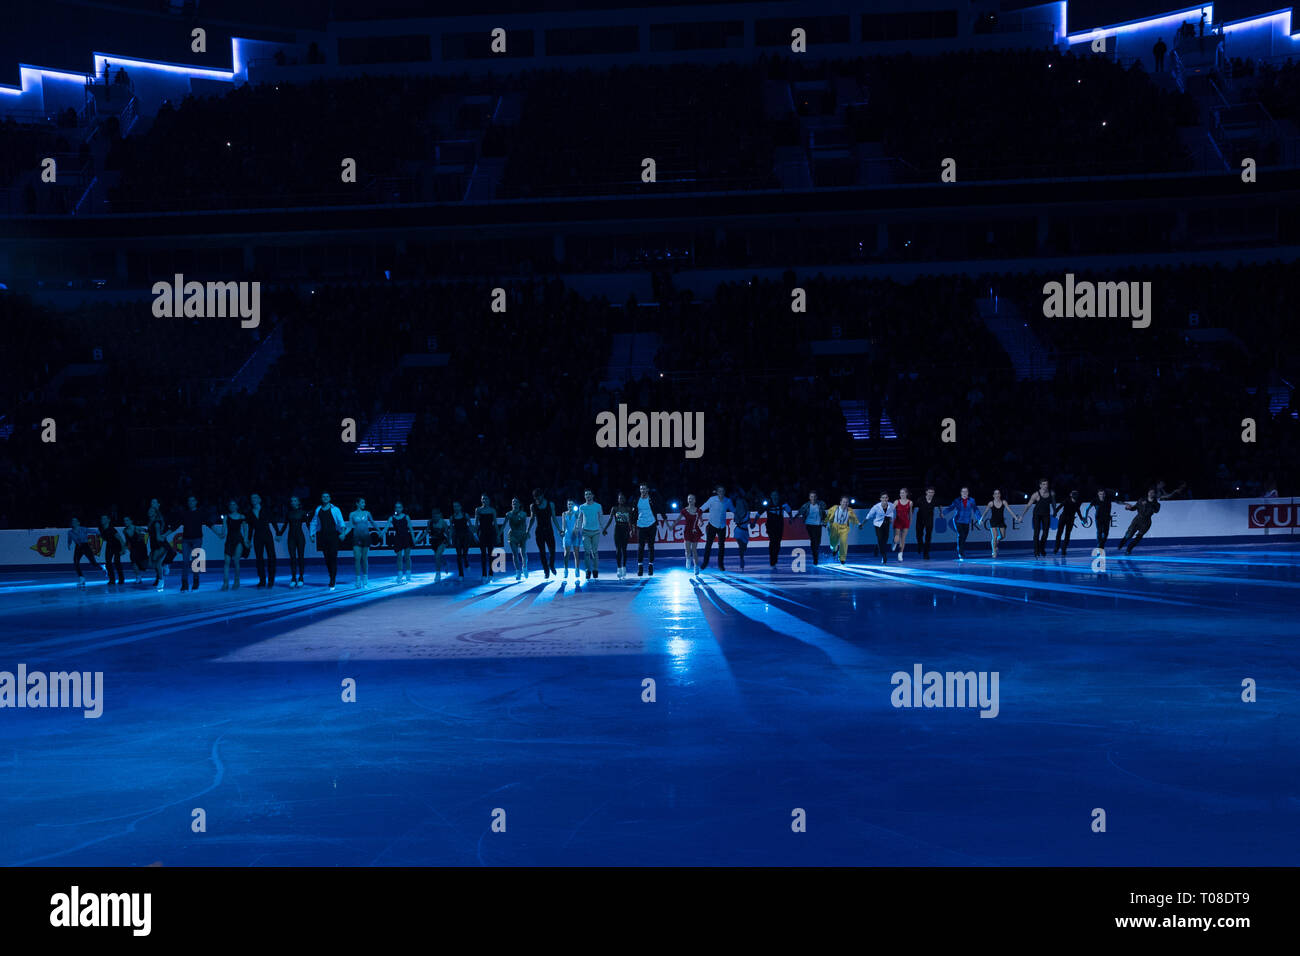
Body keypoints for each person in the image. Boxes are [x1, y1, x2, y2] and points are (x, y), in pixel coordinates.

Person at [310, 492, 346, 590]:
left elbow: (341, 521)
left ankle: (333, 579)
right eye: (323, 497)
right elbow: (314, 522)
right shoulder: (318, 509)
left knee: (333, 558)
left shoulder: (335, 509)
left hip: (333, 536)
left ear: (329, 498)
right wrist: (312, 534)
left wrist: (342, 533)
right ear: (321, 498)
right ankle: (331, 575)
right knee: (327, 558)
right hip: (323, 536)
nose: (325, 498)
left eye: (327, 496)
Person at [215, 500, 249, 590]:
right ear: (229, 507)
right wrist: (220, 534)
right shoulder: (226, 517)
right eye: (231, 504)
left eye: (234, 504)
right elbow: (223, 531)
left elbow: (246, 530)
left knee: (236, 561)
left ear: (237, 506)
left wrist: (245, 540)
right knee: (226, 562)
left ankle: (236, 581)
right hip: (229, 540)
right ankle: (225, 583)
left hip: (238, 540)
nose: (232, 506)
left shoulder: (242, 517)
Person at [634, 483, 666, 577]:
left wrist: (664, 517)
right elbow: (634, 513)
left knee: (651, 546)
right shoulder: (637, 500)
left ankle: (650, 566)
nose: (642, 491)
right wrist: (632, 524)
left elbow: (660, 507)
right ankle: (640, 567)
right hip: (640, 525)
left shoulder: (652, 499)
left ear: (648, 490)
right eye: (641, 489)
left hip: (651, 525)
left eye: (644, 489)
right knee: (641, 547)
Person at [1018, 479, 1056, 559]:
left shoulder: (1051, 493)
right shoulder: (1036, 494)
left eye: (1046, 484)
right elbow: (1028, 505)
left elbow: (1053, 502)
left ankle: (1041, 549)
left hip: (1046, 515)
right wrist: (1022, 516)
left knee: (1045, 534)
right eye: (1044, 484)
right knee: (1036, 533)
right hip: (1037, 515)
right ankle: (1036, 551)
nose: (1046, 486)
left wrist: (1055, 510)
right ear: (1040, 485)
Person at [700, 485, 733, 572]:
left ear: (724, 492)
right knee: (708, 545)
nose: (721, 493)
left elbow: (734, 510)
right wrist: (700, 519)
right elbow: (701, 509)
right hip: (712, 526)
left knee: (721, 546)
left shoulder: (728, 501)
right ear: (717, 492)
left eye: (723, 491)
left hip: (722, 527)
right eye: (719, 491)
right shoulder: (712, 500)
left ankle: (720, 565)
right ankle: (705, 563)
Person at [1118, 489, 1161, 554]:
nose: (1151, 493)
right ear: (1148, 493)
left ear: (1154, 494)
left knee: (1138, 537)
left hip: (1146, 522)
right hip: (1137, 520)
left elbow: (1156, 511)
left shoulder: (1157, 504)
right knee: (1129, 534)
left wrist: (1149, 504)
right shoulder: (1142, 500)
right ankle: (1122, 542)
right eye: (1150, 492)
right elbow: (1135, 508)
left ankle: (1129, 549)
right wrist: (1129, 508)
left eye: (1153, 493)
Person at [178, 495, 207, 592]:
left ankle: (195, 581)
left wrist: (218, 533)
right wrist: (165, 534)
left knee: (195, 562)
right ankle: (184, 583)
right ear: (187, 503)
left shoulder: (200, 513)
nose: (191, 502)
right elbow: (175, 525)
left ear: (196, 502)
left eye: (193, 500)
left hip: (197, 539)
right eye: (189, 501)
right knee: (185, 562)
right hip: (186, 540)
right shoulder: (184, 513)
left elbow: (209, 523)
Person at [248, 493, 277, 588]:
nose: (253, 499)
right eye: (252, 498)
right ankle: (262, 580)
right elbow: (250, 527)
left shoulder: (266, 509)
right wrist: (248, 539)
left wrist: (278, 532)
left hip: (267, 535)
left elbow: (273, 520)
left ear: (260, 499)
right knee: (259, 559)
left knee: (271, 557)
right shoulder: (250, 512)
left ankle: (271, 580)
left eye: (255, 497)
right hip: (257, 536)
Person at [280, 495, 309, 588]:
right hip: (291, 537)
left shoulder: (303, 512)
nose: (293, 502)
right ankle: (293, 578)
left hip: (300, 537)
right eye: (292, 500)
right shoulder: (289, 513)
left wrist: (312, 534)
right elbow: (285, 525)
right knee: (292, 558)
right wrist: (279, 533)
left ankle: (301, 577)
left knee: (300, 557)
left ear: (298, 502)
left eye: (295, 500)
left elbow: (308, 524)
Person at [348, 498, 378, 587]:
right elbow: (350, 526)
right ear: (357, 503)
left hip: (366, 537)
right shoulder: (352, 514)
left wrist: (380, 531)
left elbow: (373, 523)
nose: (364, 504)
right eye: (362, 502)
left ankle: (365, 577)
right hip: (356, 538)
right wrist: (343, 534)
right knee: (357, 558)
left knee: (364, 558)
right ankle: (358, 579)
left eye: (364, 502)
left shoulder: (367, 513)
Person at [67, 517, 105, 586]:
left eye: (75, 521)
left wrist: (99, 534)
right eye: (72, 521)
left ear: (78, 523)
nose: (73, 522)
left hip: (86, 546)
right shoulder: (70, 532)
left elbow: (94, 531)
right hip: (78, 547)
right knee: (76, 562)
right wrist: (69, 544)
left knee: (93, 563)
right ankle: (81, 578)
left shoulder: (83, 529)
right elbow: (69, 539)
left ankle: (103, 567)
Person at [528, 489, 557, 579]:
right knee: (542, 552)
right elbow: (532, 519)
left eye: (538, 496)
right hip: (539, 532)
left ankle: (551, 565)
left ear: (542, 495)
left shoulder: (550, 504)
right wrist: (527, 530)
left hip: (549, 530)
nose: (537, 499)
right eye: (535, 497)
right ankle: (546, 571)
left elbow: (554, 518)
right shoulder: (533, 506)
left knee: (552, 551)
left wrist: (560, 529)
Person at [603, 492, 633, 579]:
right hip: (618, 530)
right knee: (618, 550)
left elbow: (630, 521)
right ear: (618, 500)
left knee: (624, 550)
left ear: (625, 499)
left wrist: (631, 530)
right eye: (620, 498)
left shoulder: (628, 509)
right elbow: (610, 519)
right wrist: (605, 528)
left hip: (626, 530)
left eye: (623, 498)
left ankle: (624, 567)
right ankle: (619, 568)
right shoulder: (614, 508)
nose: (621, 500)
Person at [383, 501, 415, 583]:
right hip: (398, 539)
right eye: (396, 507)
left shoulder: (406, 517)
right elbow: (386, 528)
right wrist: (381, 532)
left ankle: (408, 574)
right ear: (395, 508)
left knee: (407, 556)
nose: (398, 509)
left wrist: (413, 539)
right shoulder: (391, 518)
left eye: (400, 507)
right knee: (399, 557)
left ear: (402, 508)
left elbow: (411, 529)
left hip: (406, 538)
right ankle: (400, 575)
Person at [146, 504, 174, 592]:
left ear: (155, 513)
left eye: (152, 511)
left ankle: (161, 580)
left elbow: (158, 536)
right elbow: (151, 532)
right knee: (151, 564)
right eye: (149, 510)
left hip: (160, 545)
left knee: (157, 563)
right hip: (154, 545)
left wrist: (162, 537)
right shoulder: (150, 522)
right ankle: (164, 565)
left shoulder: (156, 523)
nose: (150, 512)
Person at [944, 488, 977, 560]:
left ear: (968, 493)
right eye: (963, 492)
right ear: (961, 493)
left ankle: (961, 549)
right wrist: (943, 513)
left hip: (966, 521)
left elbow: (975, 510)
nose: (964, 493)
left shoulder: (972, 500)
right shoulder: (957, 500)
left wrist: (979, 518)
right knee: (961, 535)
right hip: (957, 521)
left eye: (966, 491)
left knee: (964, 536)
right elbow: (951, 507)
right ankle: (960, 552)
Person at [577, 489, 603, 580]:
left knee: (594, 551)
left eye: (589, 494)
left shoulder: (598, 506)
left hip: (595, 532)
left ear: (592, 496)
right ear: (584, 496)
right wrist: (577, 528)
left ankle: (595, 570)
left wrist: (603, 528)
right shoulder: (582, 507)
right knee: (587, 552)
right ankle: (588, 570)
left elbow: (601, 518)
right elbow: (579, 519)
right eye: (586, 494)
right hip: (585, 532)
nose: (588, 496)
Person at [860, 494, 892, 565]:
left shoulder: (890, 506)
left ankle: (877, 547)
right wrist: (862, 524)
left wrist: (891, 521)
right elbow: (869, 516)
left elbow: (891, 515)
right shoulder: (876, 507)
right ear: (880, 499)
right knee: (880, 539)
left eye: (886, 498)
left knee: (885, 540)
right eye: (883, 498)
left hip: (886, 525)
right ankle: (884, 556)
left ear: (888, 498)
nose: (884, 499)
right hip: (878, 525)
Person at [826, 496, 860, 564]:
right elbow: (828, 515)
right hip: (835, 527)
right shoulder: (834, 508)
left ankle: (842, 558)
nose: (845, 503)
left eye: (847, 502)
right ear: (840, 502)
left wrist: (859, 524)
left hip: (844, 528)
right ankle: (834, 549)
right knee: (833, 542)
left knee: (843, 542)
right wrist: (825, 522)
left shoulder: (850, 510)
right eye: (844, 502)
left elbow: (854, 518)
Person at [796, 491, 826, 565]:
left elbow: (824, 513)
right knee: (813, 540)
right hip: (809, 524)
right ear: (809, 498)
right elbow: (800, 512)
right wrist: (793, 518)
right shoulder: (806, 505)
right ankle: (815, 558)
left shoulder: (821, 504)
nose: (813, 498)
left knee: (818, 541)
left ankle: (815, 552)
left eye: (814, 496)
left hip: (818, 524)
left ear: (817, 497)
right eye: (811, 497)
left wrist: (824, 522)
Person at [505, 497, 530, 581]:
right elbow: (504, 525)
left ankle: (525, 567)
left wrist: (526, 533)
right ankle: (518, 572)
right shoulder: (508, 514)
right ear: (512, 504)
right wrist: (498, 534)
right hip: (512, 535)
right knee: (515, 554)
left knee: (523, 552)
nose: (514, 503)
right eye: (513, 502)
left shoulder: (523, 514)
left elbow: (525, 525)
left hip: (522, 534)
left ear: (519, 504)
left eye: (516, 502)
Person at [475, 494, 499, 581]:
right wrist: (475, 534)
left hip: (491, 533)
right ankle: (484, 574)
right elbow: (476, 523)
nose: (484, 500)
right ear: (481, 500)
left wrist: (498, 535)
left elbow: (495, 524)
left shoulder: (492, 510)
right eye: (483, 499)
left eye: (486, 499)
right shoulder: (478, 510)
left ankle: (491, 573)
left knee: (490, 554)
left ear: (489, 500)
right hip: (482, 534)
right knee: (483, 554)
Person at [762, 492, 788, 568]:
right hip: (770, 526)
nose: (775, 497)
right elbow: (759, 513)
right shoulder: (768, 504)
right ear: (771, 496)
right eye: (773, 495)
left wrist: (791, 518)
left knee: (778, 543)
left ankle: (775, 558)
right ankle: (772, 560)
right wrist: (754, 522)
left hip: (779, 526)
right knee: (773, 541)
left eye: (776, 495)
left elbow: (789, 510)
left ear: (778, 496)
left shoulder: (782, 504)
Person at [980, 489, 1008, 558]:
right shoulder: (991, 503)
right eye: (995, 494)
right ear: (993, 495)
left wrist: (1016, 518)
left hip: (1001, 521)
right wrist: (981, 519)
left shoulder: (1003, 502)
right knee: (994, 537)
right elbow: (986, 512)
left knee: (1002, 536)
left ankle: (995, 542)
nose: (997, 495)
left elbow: (1009, 510)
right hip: (993, 521)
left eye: (998, 493)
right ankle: (994, 551)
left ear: (1000, 495)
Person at [680, 494, 704, 574]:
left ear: (695, 500)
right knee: (687, 550)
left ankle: (696, 567)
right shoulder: (684, 510)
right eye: (689, 498)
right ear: (687, 500)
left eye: (692, 498)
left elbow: (701, 521)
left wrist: (700, 523)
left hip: (695, 531)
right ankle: (688, 559)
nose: (690, 500)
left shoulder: (698, 511)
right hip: (687, 531)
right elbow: (678, 519)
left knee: (694, 550)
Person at [98, 515, 124, 586]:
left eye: (104, 518)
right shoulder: (101, 528)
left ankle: (121, 579)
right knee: (108, 562)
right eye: (102, 518)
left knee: (117, 562)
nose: (102, 520)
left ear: (108, 520)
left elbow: (120, 539)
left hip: (116, 545)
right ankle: (112, 580)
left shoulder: (112, 529)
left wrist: (123, 549)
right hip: (109, 545)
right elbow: (104, 538)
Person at [1054, 490, 1082, 555]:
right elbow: (1059, 506)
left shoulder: (1078, 502)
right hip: (1063, 518)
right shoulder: (1066, 500)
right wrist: (1055, 513)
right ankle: (1057, 547)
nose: (1075, 495)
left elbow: (1078, 510)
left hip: (1071, 519)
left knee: (1067, 534)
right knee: (1059, 533)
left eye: (1076, 494)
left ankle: (1064, 549)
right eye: (1074, 494)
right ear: (1071, 495)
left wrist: (1081, 518)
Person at [449, 501, 473, 579]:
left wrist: (473, 536)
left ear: (460, 507)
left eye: (457, 506)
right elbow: (452, 529)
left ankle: (466, 563)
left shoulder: (465, 515)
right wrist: (450, 539)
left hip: (466, 536)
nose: (455, 508)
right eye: (454, 506)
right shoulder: (452, 517)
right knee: (459, 555)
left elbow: (470, 526)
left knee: (465, 554)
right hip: (457, 537)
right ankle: (461, 574)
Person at [913, 487, 938, 560]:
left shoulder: (935, 500)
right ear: (926, 492)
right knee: (919, 534)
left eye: (932, 492)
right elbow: (913, 506)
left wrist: (941, 513)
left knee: (928, 536)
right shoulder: (921, 499)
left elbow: (939, 505)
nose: (931, 494)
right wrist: (910, 514)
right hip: (920, 519)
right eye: (929, 492)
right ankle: (920, 544)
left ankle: (926, 553)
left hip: (929, 520)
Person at [731, 491, 753, 571]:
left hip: (745, 532)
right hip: (739, 531)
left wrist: (751, 524)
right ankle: (741, 559)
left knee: (744, 547)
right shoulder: (736, 514)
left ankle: (742, 556)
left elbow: (749, 522)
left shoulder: (747, 513)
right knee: (741, 546)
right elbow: (736, 520)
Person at [123, 516, 148, 584]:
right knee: (133, 562)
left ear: (131, 521)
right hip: (133, 548)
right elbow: (127, 541)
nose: (125, 522)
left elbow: (147, 531)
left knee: (144, 563)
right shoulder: (124, 531)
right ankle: (138, 577)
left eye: (127, 520)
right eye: (124, 521)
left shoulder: (137, 528)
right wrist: (124, 548)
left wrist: (142, 534)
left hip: (141, 547)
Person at [427, 508, 450, 580]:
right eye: (433, 515)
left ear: (439, 515)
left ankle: (438, 574)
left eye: (436, 515)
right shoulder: (429, 522)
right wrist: (419, 539)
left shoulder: (443, 522)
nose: (435, 516)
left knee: (437, 556)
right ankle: (445, 563)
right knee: (438, 557)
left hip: (442, 541)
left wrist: (449, 541)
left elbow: (447, 533)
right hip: (434, 542)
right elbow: (426, 531)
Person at [560, 498, 581, 578]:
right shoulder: (564, 514)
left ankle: (577, 569)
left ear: (573, 505)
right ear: (567, 505)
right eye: (569, 504)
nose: (570, 505)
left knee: (576, 553)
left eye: (572, 504)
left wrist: (575, 529)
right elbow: (563, 525)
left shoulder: (576, 513)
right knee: (566, 554)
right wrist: (562, 532)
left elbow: (577, 524)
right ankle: (565, 570)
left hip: (575, 535)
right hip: (567, 535)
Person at [891, 488, 913, 561]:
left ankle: (900, 554)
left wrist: (910, 521)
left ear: (906, 494)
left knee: (903, 539)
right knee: (897, 537)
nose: (901, 494)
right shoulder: (896, 502)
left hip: (905, 522)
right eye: (900, 493)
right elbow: (890, 510)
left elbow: (910, 513)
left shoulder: (910, 502)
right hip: (897, 521)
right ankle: (894, 542)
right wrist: (890, 518)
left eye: (903, 493)